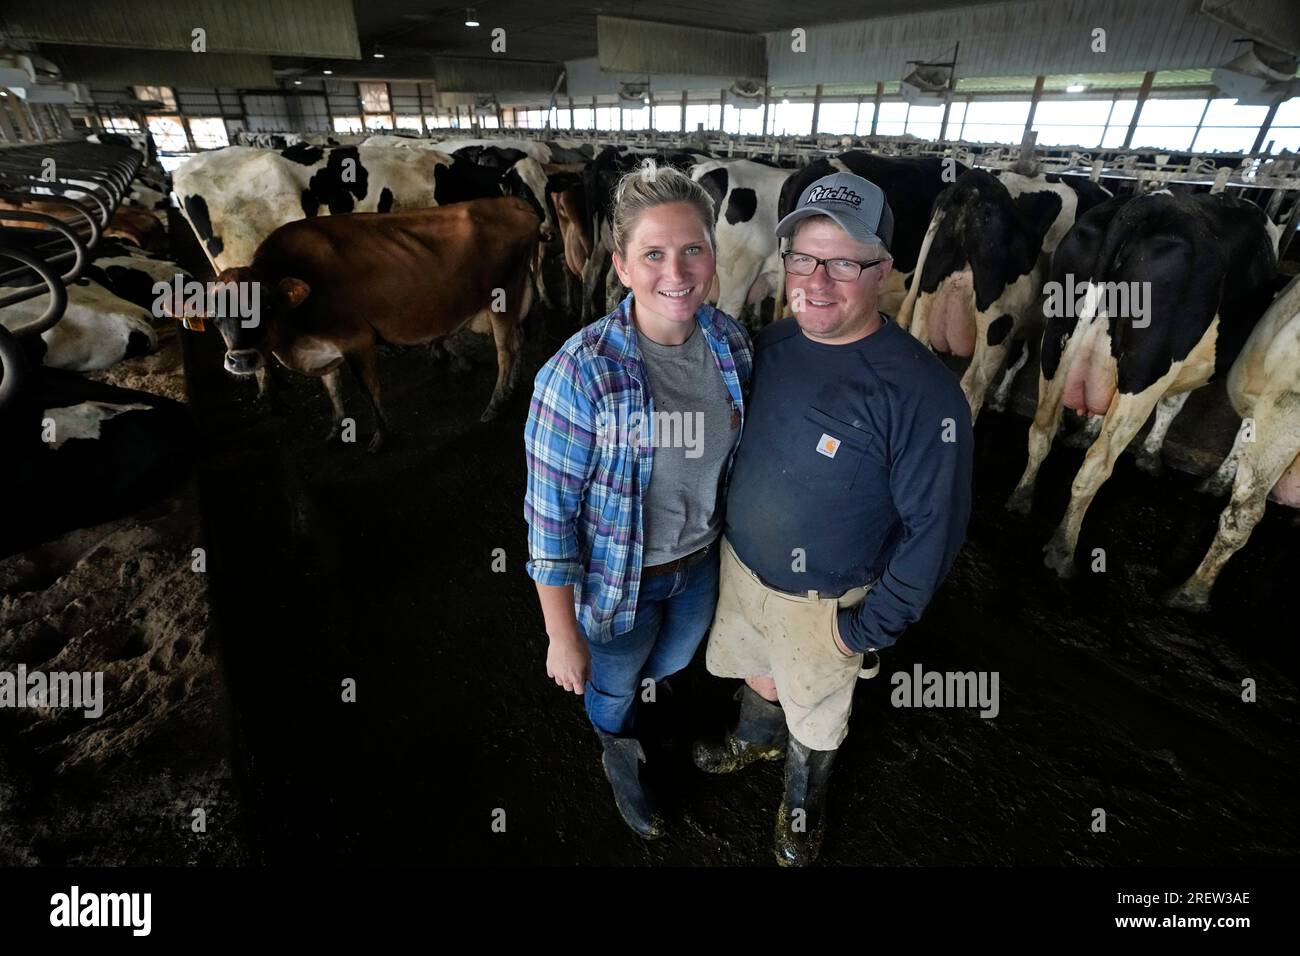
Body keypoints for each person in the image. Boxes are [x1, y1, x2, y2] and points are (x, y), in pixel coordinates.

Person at [692, 172, 974, 865]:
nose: (816, 281)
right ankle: (756, 736)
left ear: (884, 270)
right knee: (754, 669)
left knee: (817, 713)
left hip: (824, 603)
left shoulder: (924, 396)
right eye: (803, 258)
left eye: (844, 262)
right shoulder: (775, 347)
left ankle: (800, 800)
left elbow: (934, 534)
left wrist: (864, 631)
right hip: (741, 568)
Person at [524, 160, 753, 839]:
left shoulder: (731, 344)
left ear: (713, 256)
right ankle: (619, 757)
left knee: (675, 662)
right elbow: (549, 519)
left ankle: (639, 720)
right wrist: (560, 634)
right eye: (653, 253)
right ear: (621, 266)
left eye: (692, 249)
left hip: (697, 568)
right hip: (617, 583)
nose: (675, 272)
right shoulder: (579, 373)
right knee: (613, 683)